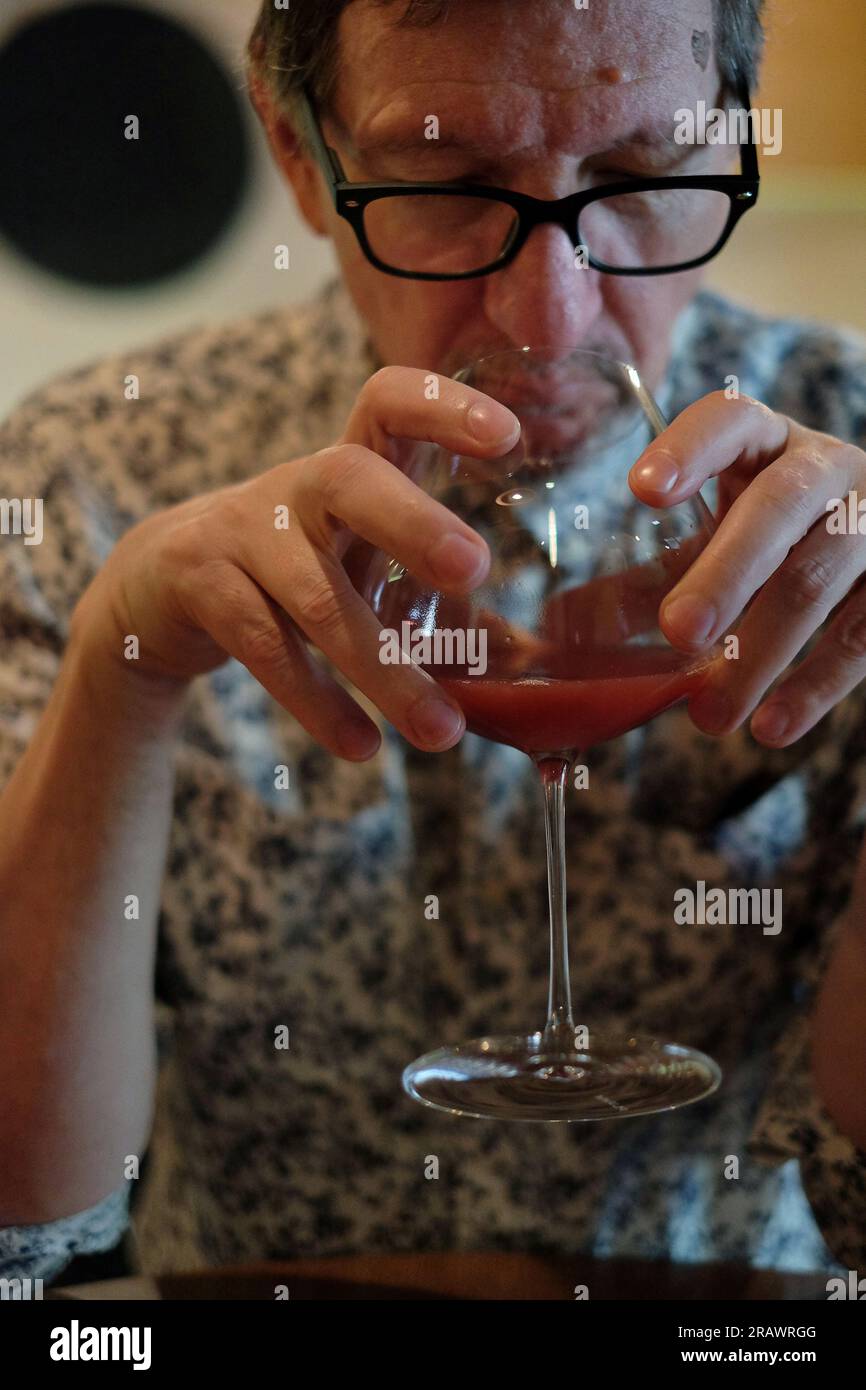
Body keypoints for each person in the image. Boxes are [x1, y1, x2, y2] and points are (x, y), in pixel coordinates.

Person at [1, 0, 865, 1285]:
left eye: (637, 178)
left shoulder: (843, 461)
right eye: (450, 182)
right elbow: (23, 1209)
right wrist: (121, 678)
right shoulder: (91, 471)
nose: (551, 315)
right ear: (303, 159)